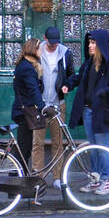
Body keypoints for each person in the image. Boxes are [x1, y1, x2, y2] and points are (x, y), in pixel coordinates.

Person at [67, 29, 109, 196]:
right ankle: (95, 179)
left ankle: (105, 181)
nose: (90, 46)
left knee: (102, 148)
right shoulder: (88, 63)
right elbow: (79, 78)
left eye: (93, 43)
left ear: (101, 45)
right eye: (89, 42)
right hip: (88, 111)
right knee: (93, 148)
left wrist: (106, 92)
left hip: (102, 111)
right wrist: (68, 84)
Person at [33, 26, 74, 184]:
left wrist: (67, 85)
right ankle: (38, 176)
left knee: (58, 142)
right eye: (51, 43)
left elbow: (71, 75)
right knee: (37, 142)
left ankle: (57, 177)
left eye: (56, 43)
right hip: (40, 105)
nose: (54, 46)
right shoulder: (37, 52)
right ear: (44, 38)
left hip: (58, 104)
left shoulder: (65, 53)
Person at [11, 37, 44, 173]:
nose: (41, 51)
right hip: (24, 112)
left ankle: (20, 179)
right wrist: (42, 106)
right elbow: (33, 90)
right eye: (40, 49)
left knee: (24, 149)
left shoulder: (26, 65)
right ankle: (17, 183)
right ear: (34, 50)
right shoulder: (27, 68)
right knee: (23, 150)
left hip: (23, 111)